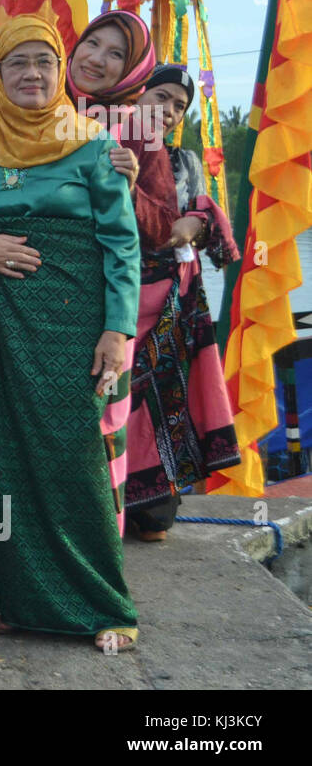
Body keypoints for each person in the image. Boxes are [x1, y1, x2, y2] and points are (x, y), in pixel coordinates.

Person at [0, 15, 141, 653]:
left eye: (44, 61)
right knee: (3, 460)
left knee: (71, 457)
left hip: (72, 329)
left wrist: (118, 332)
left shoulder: (93, 143)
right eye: (17, 63)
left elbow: (123, 243)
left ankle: (102, 604)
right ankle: (23, 600)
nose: (33, 74)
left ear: (58, 69)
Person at [124, 64, 241, 538]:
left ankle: (153, 506)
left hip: (173, 298)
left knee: (167, 402)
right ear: (136, 95)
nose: (169, 112)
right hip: (120, 296)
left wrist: (200, 217)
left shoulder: (187, 162)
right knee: (118, 400)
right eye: (161, 98)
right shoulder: (107, 145)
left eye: (179, 106)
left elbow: (193, 218)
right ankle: (107, 507)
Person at [66, 8, 156, 142]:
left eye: (116, 54)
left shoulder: (142, 141)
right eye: (93, 43)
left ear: (134, 71)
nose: (96, 60)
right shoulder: (33, 107)